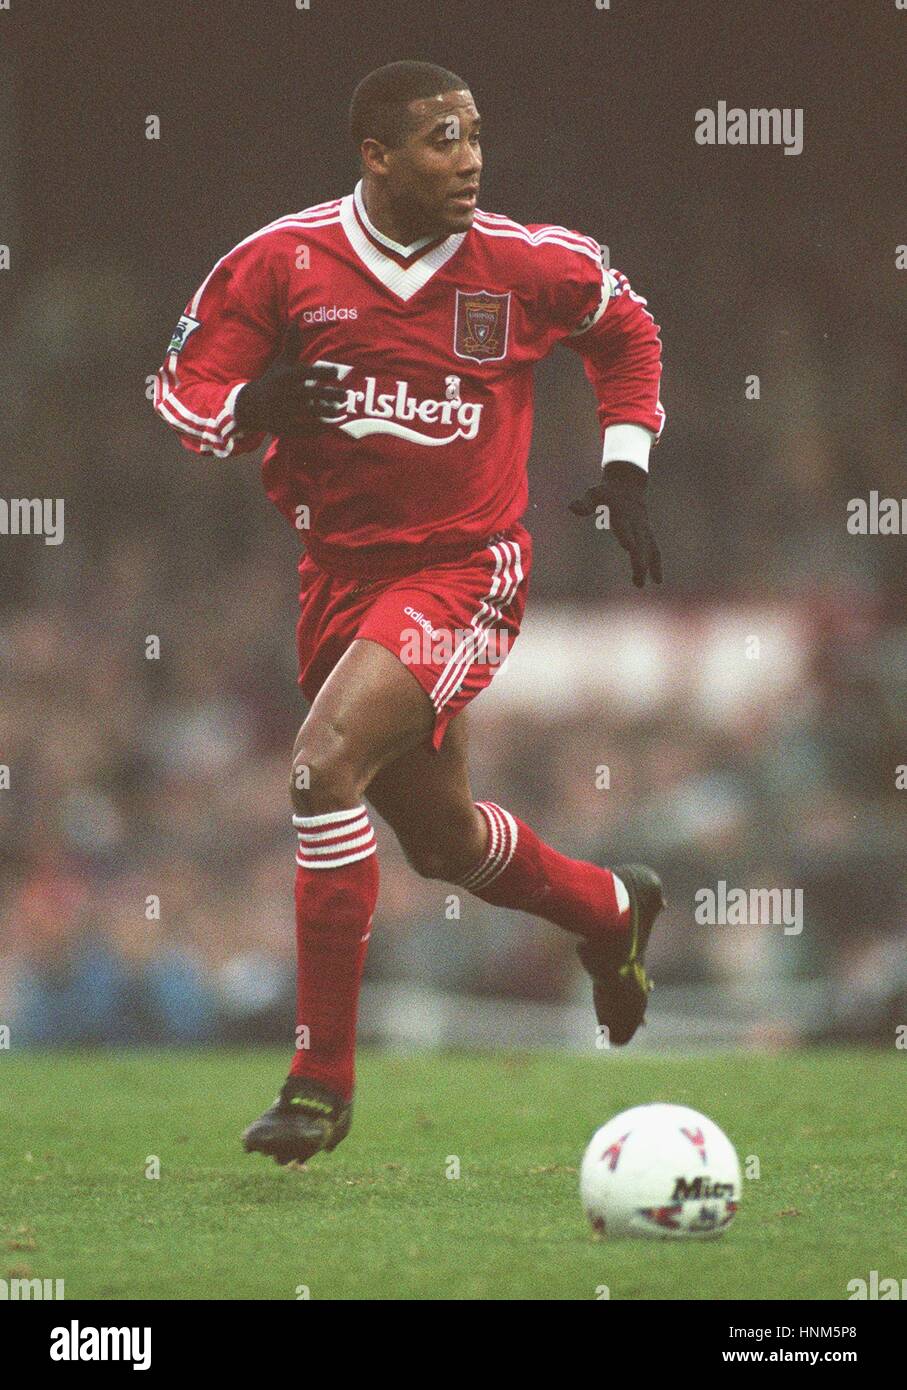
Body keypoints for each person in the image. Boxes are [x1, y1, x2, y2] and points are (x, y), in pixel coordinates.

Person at [153, 61, 667, 1166]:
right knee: (441, 843)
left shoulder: (526, 264)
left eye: (475, 134)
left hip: (465, 570)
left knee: (317, 767)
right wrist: (247, 407)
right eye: (440, 139)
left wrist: (624, 463)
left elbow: (623, 328)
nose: (470, 158)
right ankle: (610, 909)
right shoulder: (283, 261)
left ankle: (317, 1084)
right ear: (375, 156)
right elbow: (180, 391)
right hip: (337, 578)